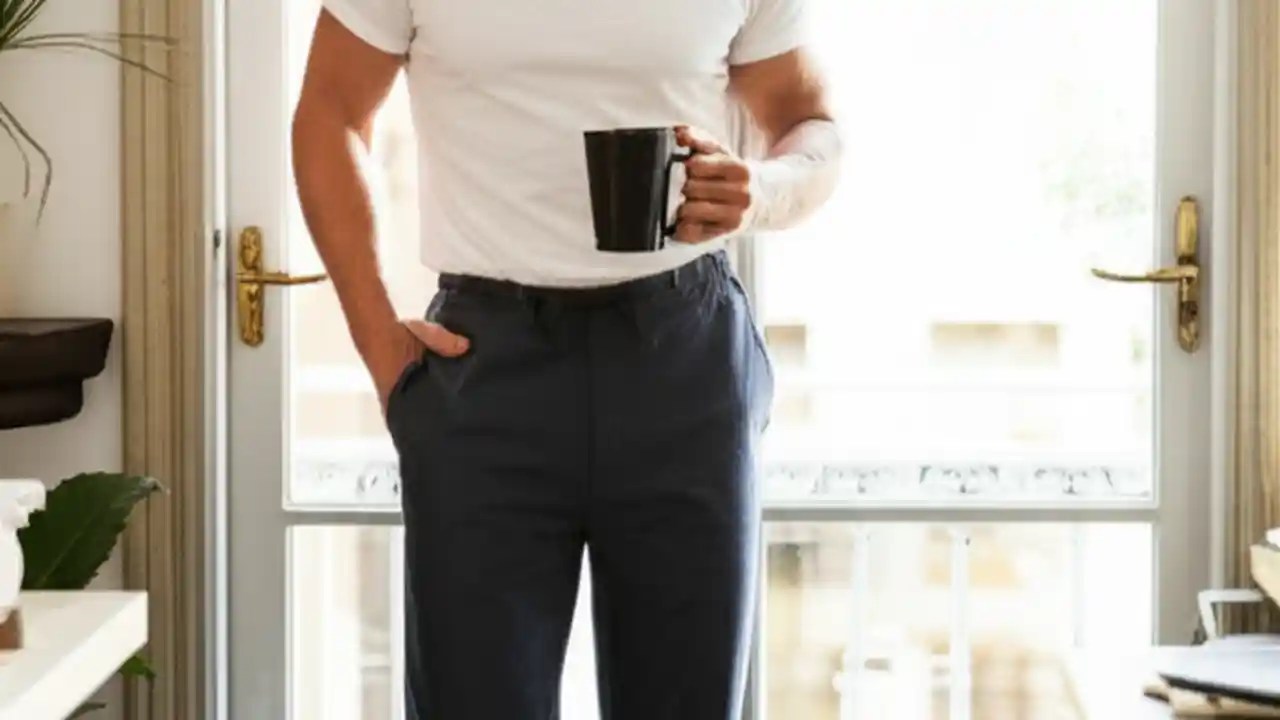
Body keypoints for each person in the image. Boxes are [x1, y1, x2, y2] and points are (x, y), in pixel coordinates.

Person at [292, 0, 841, 716]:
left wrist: (760, 192)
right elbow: (329, 111)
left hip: (684, 361)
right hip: (483, 368)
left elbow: (811, 123)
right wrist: (380, 349)